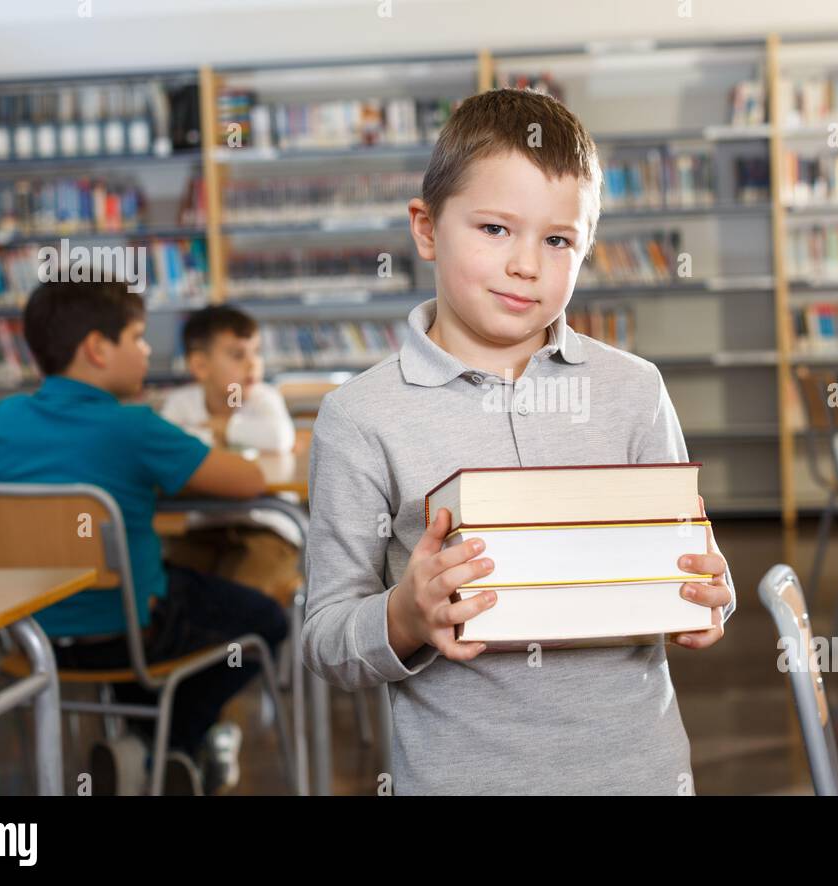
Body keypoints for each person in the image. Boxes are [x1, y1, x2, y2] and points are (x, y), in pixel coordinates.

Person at [302, 88, 735, 795]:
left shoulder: (634, 389)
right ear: (427, 228)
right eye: (496, 229)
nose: (526, 264)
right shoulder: (360, 417)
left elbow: (691, 558)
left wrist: (712, 590)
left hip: (642, 774)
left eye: (558, 240)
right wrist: (404, 615)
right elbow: (326, 639)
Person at [0, 281, 288, 794]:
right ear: (96, 349)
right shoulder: (135, 428)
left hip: (28, 636)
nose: (147, 350)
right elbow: (249, 483)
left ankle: (142, 747)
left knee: (154, 598)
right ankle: (166, 743)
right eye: (137, 338)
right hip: (127, 635)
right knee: (264, 618)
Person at [161, 304, 303, 607]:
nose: (253, 365)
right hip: (201, 528)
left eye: (256, 352)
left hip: (266, 527)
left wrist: (222, 429)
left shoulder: (265, 398)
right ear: (200, 366)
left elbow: (278, 437)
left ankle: (245, 654)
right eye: (238, 355)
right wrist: (224, 433)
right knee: (176, 597)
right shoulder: (180, 403)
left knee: (244, 601)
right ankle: (209, 653)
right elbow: (172, 452)